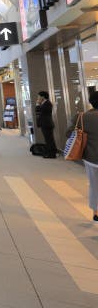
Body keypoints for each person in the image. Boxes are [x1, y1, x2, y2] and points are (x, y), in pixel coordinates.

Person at [68, 90, 98, 222]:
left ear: (90, 102)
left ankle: (96, 211)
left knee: (94, 185)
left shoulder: (81, 117)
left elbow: (68, 134)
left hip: (91, 158)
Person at [35, 91, 57, 158]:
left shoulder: (48, 103)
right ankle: (50, 153)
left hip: (47, 124)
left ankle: (52, 154)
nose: (38, 98)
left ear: (43, 97)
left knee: (49, 139)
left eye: (39, 96)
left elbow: (40, 110)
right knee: (48, 139)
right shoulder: (43, 103)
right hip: (44, 124)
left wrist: (38, 104)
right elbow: (38, 111)